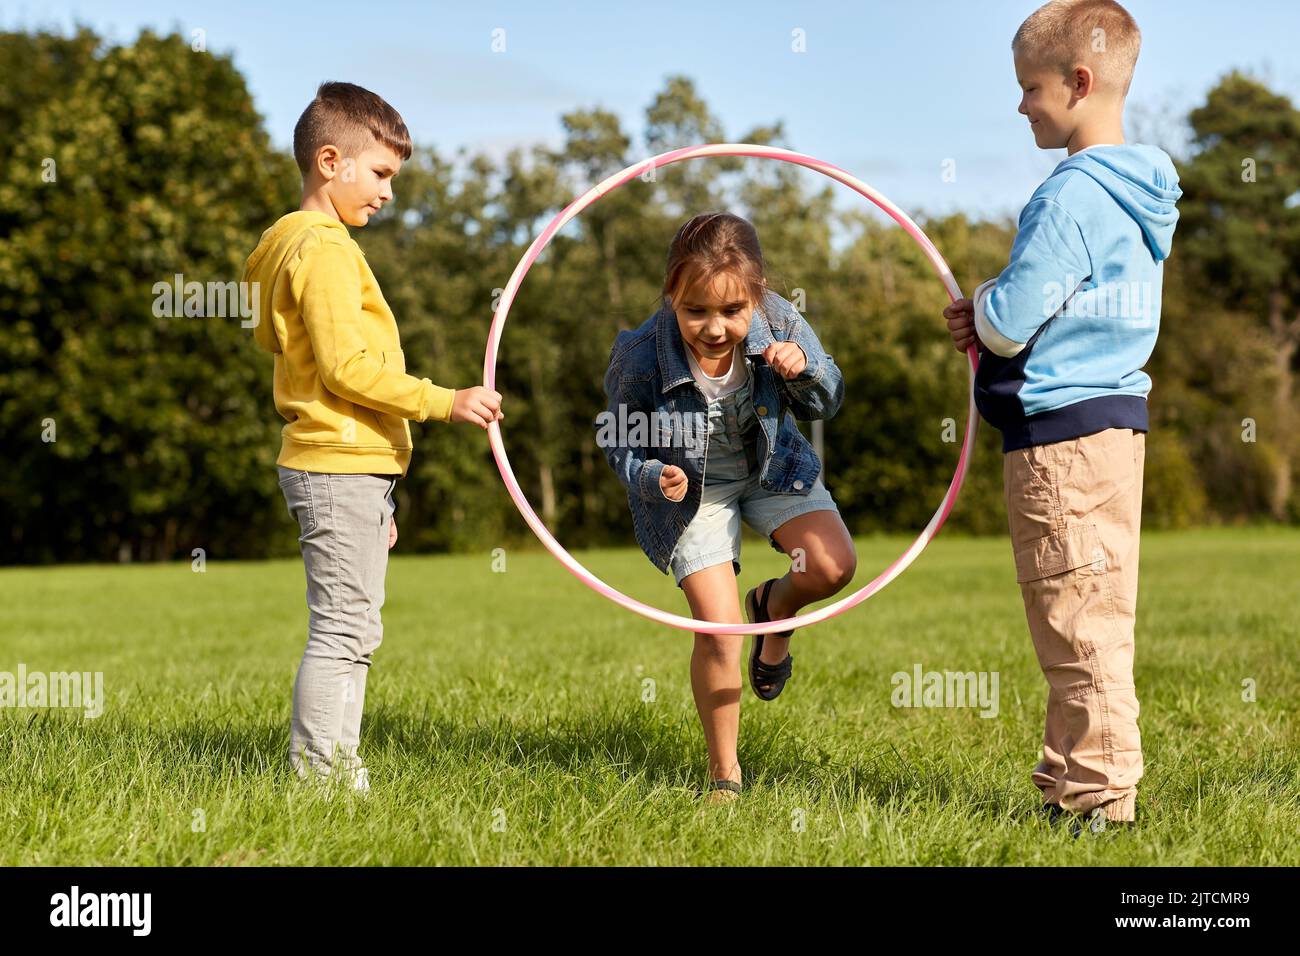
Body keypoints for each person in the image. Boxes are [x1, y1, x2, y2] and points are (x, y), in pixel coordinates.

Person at [943, 0, 1181, 835]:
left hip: (1062, 439)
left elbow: (1013, 319)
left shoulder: (1069, 198)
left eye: (1030, 88)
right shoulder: (1142, 190)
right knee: (1085, 607)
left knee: (1076, 621)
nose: (1021, 106)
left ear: (1079, 83)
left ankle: (1101, 801)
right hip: (1112, 429)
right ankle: (1065, 780)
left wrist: (980, 306)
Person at [597, 212, 856, 803]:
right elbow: (616, 437)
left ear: (757, 295)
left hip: (772, 469)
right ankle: (725, 777)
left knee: (831, 566)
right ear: (672, 296)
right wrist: (646, 473)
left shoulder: (780, 319)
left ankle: (772, 606)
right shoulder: (640, 354)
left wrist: (805, 369)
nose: (715, 328)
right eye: (696, 312)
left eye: (732, 311)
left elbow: (830, 399)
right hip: (693, 494)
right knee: (717, 631)